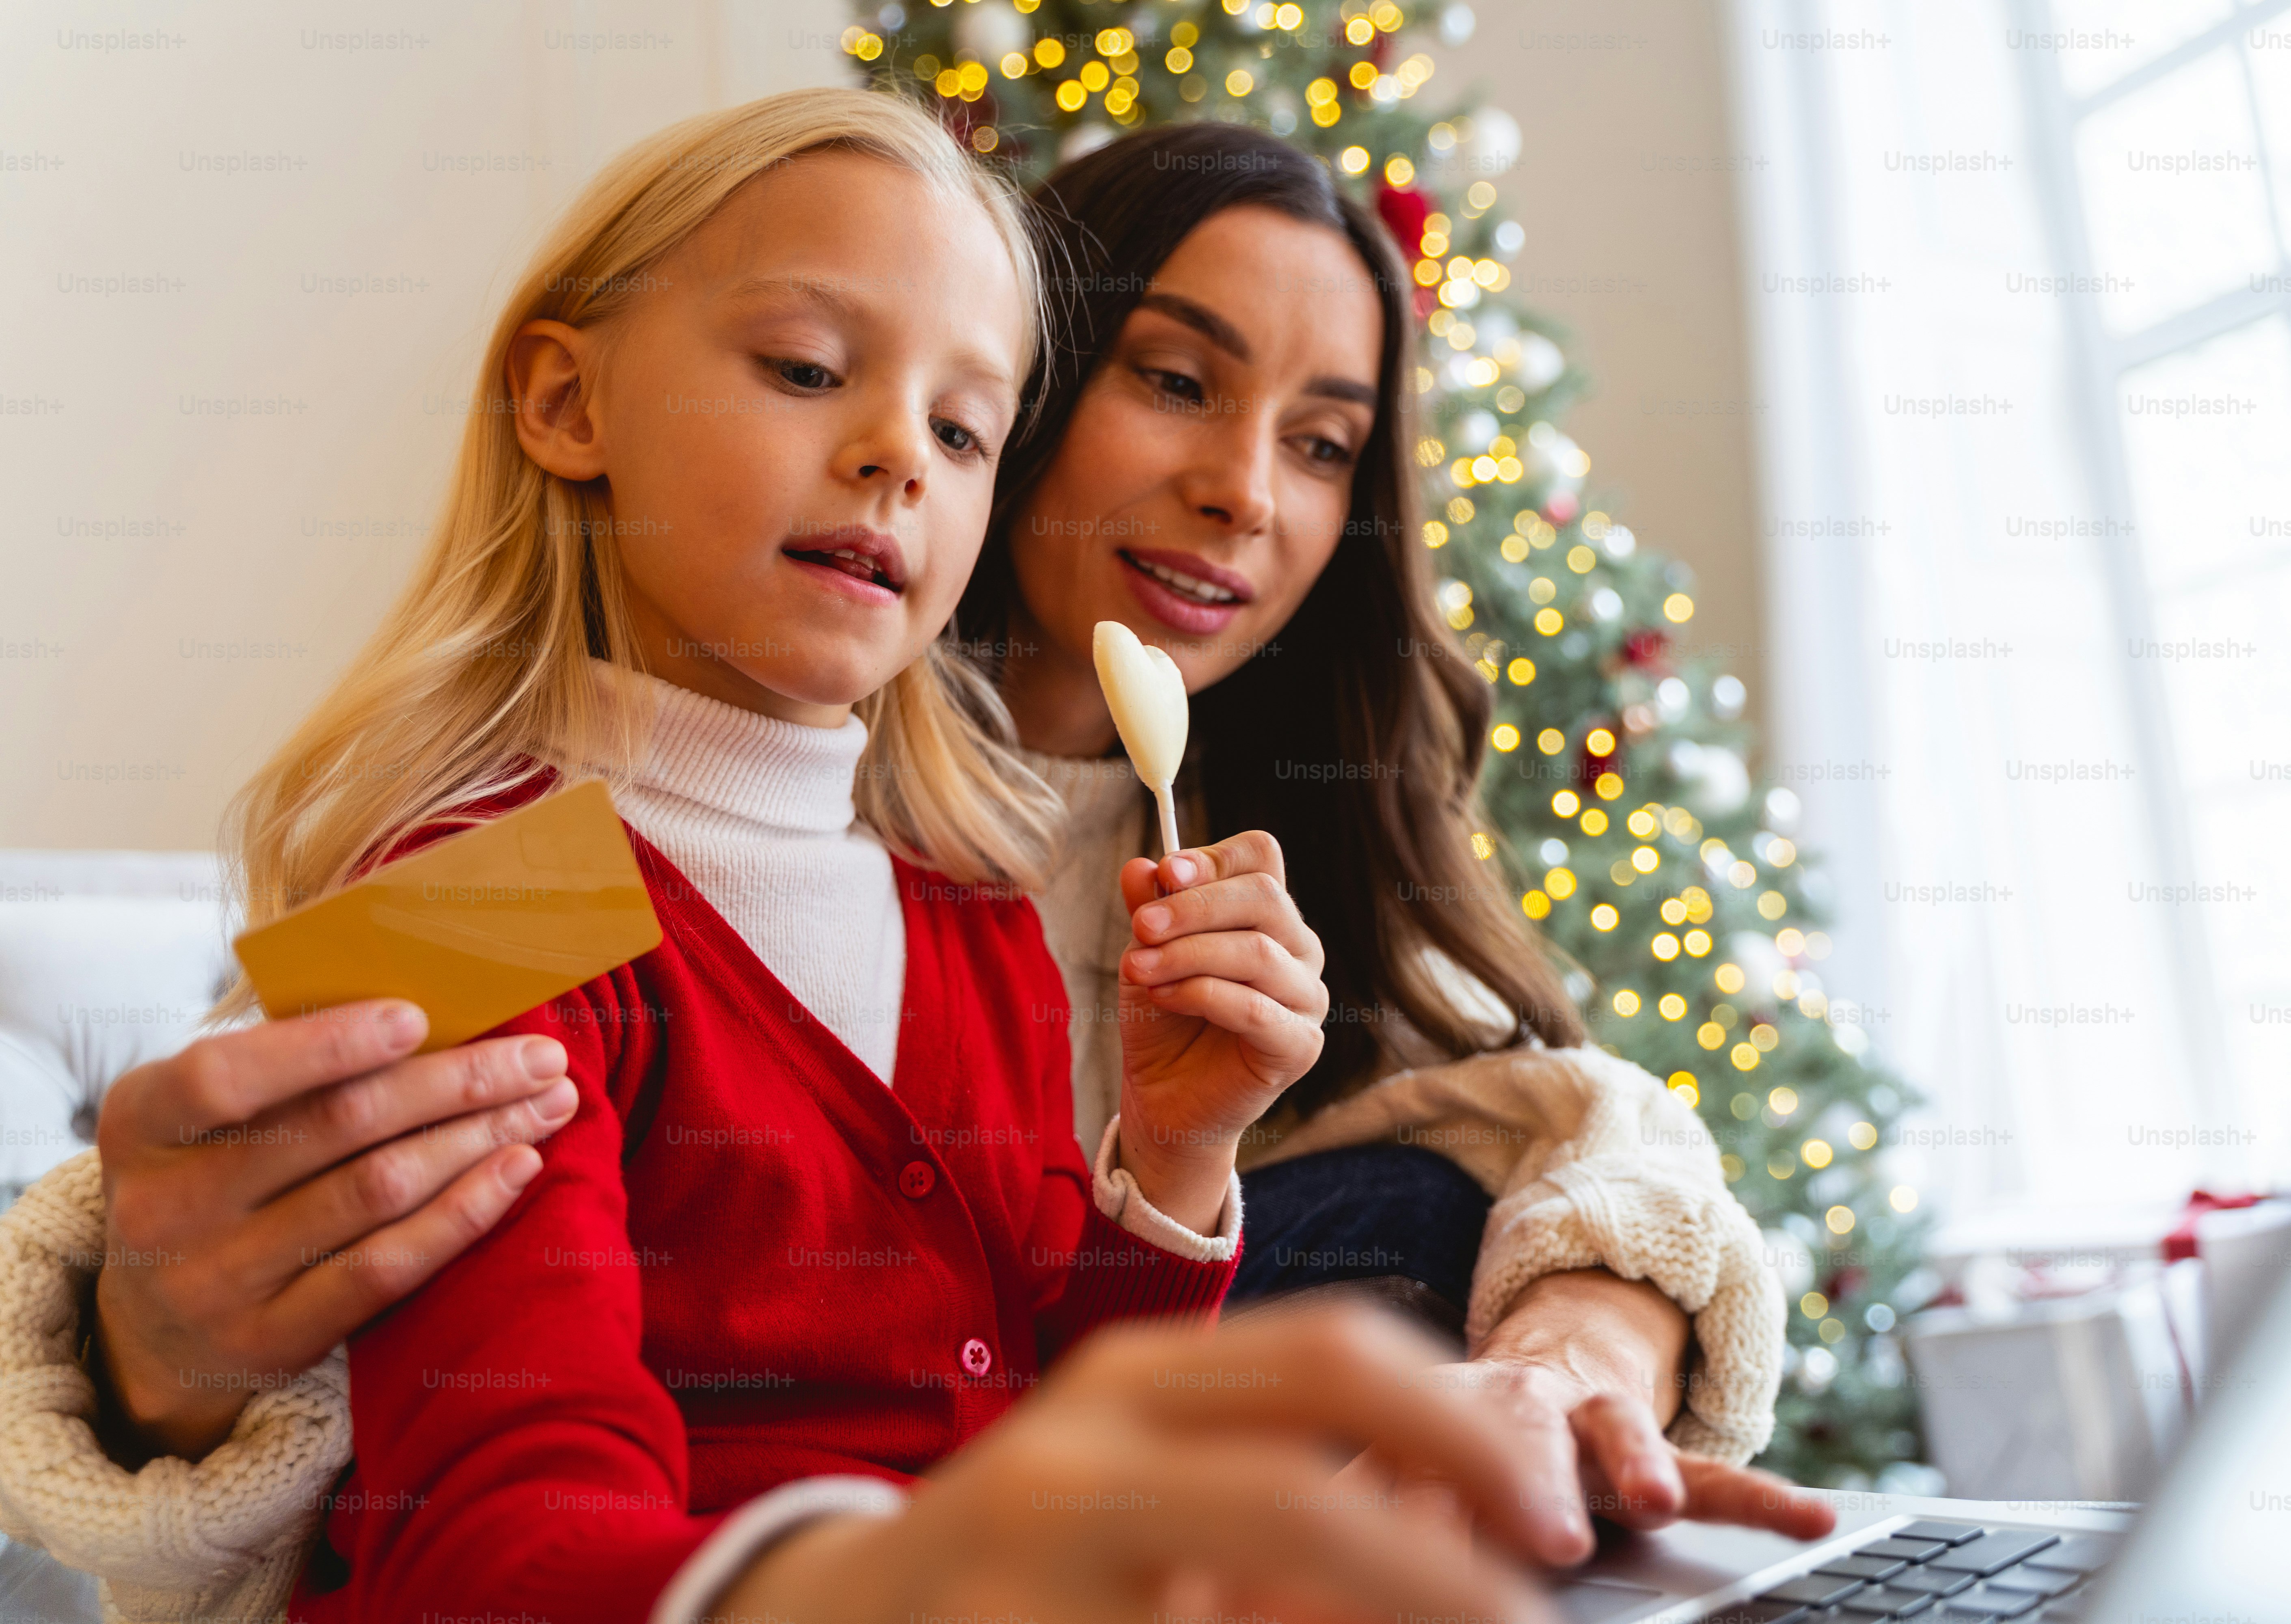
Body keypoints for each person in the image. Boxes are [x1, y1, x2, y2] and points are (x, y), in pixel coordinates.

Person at [0, 107, 1828, 1623]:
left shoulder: (961, 908)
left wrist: (1176, 1161)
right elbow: (492, 1524)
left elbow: (1052, 1386)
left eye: (962, 427)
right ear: (566, 405)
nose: (894, 453)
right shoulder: (485, 893)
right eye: (807, 369)